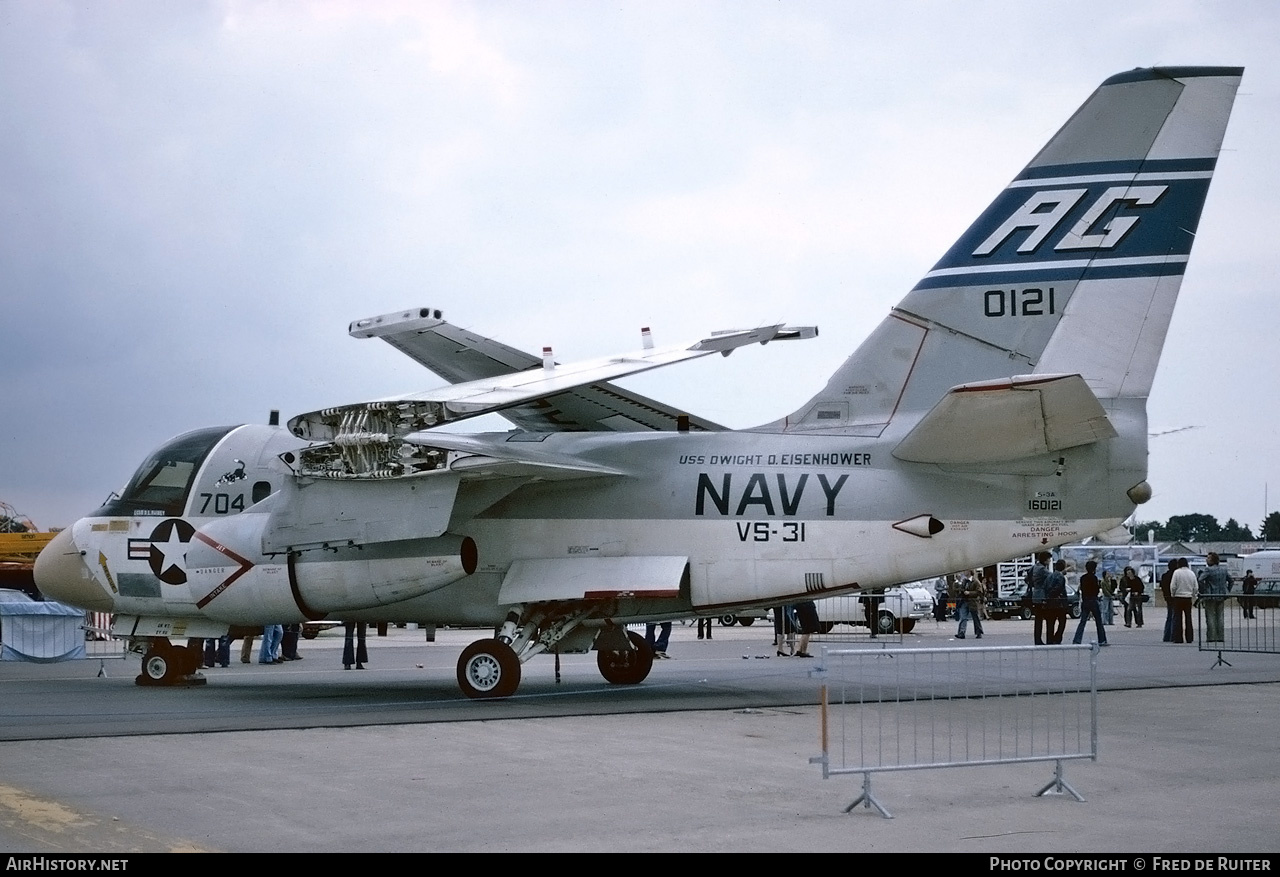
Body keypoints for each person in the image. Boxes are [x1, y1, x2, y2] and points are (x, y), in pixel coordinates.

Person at [1197, 552, 1232, 644]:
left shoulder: (1208, 570)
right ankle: (1220, 636)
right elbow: (1231, 580)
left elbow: (1200, 580)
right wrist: (1227, 590)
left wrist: (1204, 589)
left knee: (1210, 616)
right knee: (1220, 616)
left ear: (1213, 560)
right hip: (1222, 595)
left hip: (1210, 595)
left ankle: (1211, 636)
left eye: (1208, 558)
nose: (1206, 559)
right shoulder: (1224, 570)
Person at [1072, 560, 1108, 646]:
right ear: (1094, 569)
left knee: (1082, 621)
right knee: (1098, 621)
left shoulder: (1083, 578)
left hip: (1085, 600)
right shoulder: (1094, 578)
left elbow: (1082, 589)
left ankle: (1077, 639)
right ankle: (1102, 639)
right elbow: (1096, 590)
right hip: (1093, 600)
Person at [1169, 557, 1198, 644]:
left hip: (1178, 597)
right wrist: (1193, 594)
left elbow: (1173, 585)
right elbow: (1196, 586)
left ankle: (1178, 638)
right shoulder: (1191, 573)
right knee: (1188, 618)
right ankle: (1189, 637)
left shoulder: (1176, 572)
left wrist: (1173, 594)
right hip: (1188, 597)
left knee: (1178, 618)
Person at [1028, 551, 1052, 645]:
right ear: (1045, 560)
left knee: (1038, 619)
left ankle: (1037, 639)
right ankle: (1042, 639)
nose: (1050, 561)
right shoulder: (1042, 569)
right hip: (1042, 596)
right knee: (1044, 618)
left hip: (1035, 595)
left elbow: (1027, 578)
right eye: (1049, 559)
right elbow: (1052, 577)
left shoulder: (1034, 567)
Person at [1044, 560, 1069, 645]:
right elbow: (1059, 588)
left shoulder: (1049, 576)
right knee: (1062, 622)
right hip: (1059, 603)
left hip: (1049, 603)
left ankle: (1049, 639)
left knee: (1050, 622)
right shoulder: (1060, 577)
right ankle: (1057, 637)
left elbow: (1045, 587)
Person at [954, 570, 983, 640]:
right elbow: (961, 589)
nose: (964, 572)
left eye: (965, 571)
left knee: (975, 617)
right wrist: (961, 590)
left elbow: (979, 592)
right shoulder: (964, 581)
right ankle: (961, 633)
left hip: (972, 602)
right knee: (963, 617)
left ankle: (979, 632)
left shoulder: (975, 581)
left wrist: (969, 593)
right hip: (964, 601)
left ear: (969, 572)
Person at [1159, 559, 1178, 642]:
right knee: (1175, 617)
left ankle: (1167, 636)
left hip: (1167, 597)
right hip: (1175, 597)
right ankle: (1173, 635)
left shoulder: (1164, 575)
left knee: (1169, 616)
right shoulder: (1176, 575)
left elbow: (1162, 586)